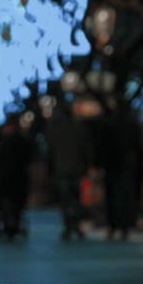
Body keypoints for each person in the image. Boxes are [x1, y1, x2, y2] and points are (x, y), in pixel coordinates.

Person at [45, 103, 93, 240]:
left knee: (66, 200)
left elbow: (51, 151)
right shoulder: (78, 128)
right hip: (75, 169)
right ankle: (75, 225)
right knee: (75, 198)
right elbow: (85, 149)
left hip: (62, 169)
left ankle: (69, 225)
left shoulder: (57, 129)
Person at [98, 106, 141, 240]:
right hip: (122, 166)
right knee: (122, 197)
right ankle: (122, 226)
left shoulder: (109, 126)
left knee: (115, 198)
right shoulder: (129, 125)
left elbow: (101, 147)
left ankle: (116, 226)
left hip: (115, 166)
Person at [0, 114, 32, 240]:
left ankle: (9, 225)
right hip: (14, 180)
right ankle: (12, 225)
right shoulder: (20, 140)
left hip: (5, 180)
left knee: (7, 204)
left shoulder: (1, 142)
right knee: (14, 205)